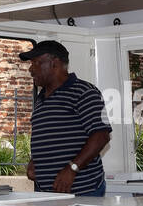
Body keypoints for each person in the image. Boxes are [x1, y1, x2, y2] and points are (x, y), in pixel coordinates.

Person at [19, 40, 112, 196]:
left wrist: (72, 168)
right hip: (46, 193)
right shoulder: (41, 98)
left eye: (36, 63)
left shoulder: (84, 92)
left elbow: (101, 135)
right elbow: (50, 137)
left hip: (82, 191)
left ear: (54, 63)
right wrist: (35, 161)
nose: (31, 69)